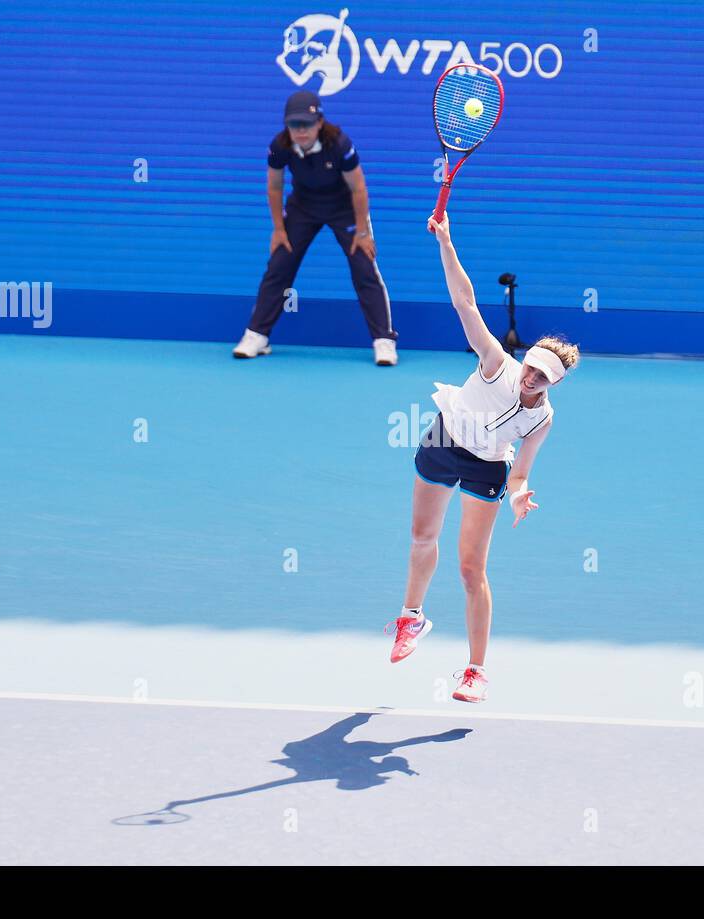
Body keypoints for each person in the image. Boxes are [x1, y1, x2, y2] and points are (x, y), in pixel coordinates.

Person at [385, 213, 580, 703]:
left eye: (542, 378)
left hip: (484, 467)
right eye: (531, 368)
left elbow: (520, 473)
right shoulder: (496, 362)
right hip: (442, 442)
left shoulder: (543, 420)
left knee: (471, 569)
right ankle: (412, 617)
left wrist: (519, 495)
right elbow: (464, 302)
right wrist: (446, 243)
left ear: (555, 385)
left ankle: (474, 670)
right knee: (420, 536)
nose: (530, 379)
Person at [233, 90, 398, 365]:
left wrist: (362, 231)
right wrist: (279, 229)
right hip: (303, 208)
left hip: (344, 208)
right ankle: (257, 335)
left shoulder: (340, 144)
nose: (300, 131)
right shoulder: (279, 146)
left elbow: (358, 188)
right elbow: (274, 186)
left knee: (363, 267)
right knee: (279, 265)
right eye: (294, 125)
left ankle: (384, 340)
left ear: (319, 123)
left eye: (306, 124)